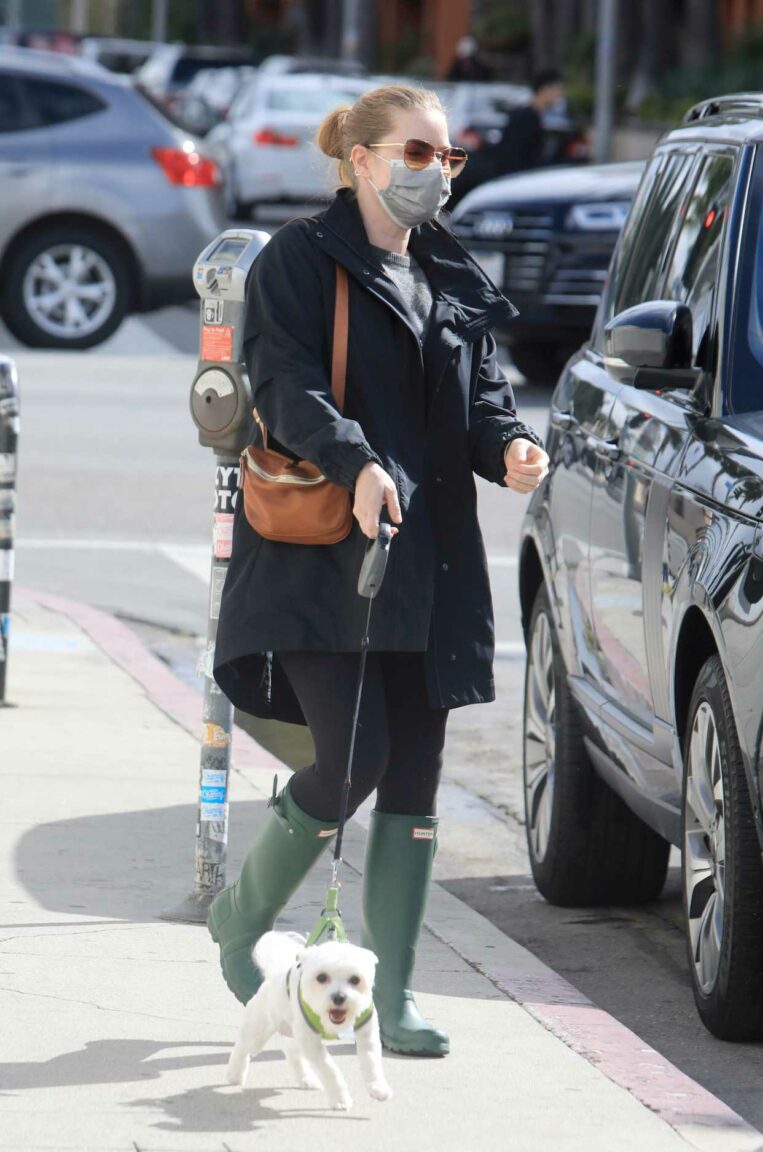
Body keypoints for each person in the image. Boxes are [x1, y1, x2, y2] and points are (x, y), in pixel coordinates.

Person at [208, 84, 550, 1058]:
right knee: (351, 757)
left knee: (415, 777)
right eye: (414, 153)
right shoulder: (297, 263)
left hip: (428, 560)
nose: (433, 173)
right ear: (359, 157)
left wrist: (512, 448)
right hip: (319, 558)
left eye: (446, 159)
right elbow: (285, 380)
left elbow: (485, 401)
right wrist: (356, 463)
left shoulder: (449, 273)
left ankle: (391, 1001)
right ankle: (240, 920)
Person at [492, 67, 565, 177]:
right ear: (545, 90)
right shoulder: (526, 117)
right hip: (515, 179)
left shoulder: (534, 116)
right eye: (557, 90)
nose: (559, 95)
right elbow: (514, 155)